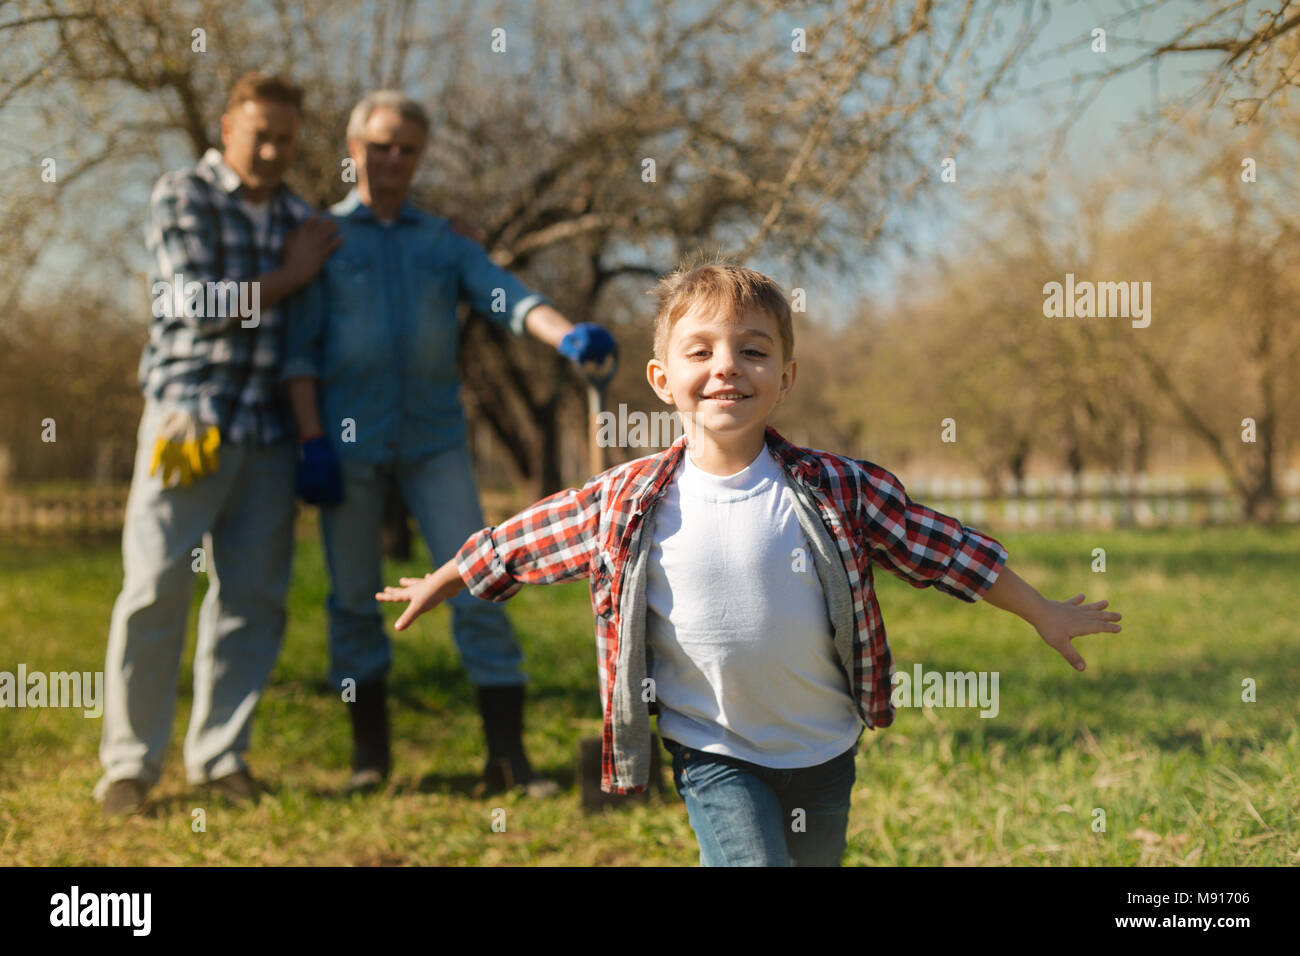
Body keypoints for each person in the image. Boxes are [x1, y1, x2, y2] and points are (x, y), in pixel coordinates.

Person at [375, 259, 1125, 866]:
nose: (727, 367)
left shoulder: (841, 489)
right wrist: (449, 576)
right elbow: (529, 537)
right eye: (700, 351)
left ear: (786, 378)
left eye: (753, 350)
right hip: (713, 748)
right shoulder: (628, 499)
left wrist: (1044, 612)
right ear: (663, 380)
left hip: (824, 747)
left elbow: (947, 551)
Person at [282, 90, 615, 795]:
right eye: (380, 145)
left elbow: (505, 296)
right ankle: (369, 761)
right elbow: (300, 353)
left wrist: (568, 338)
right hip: (347, 447)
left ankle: (508, 759)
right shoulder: (322, 238)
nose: (393, 159)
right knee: (351, 600)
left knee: (481, 579)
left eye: (407, 148)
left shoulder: (443, 243)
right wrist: (312, 440)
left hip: (434, 442)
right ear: (354, 149)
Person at [96, 73, 342, 816]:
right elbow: (192, 304)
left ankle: (219, 757)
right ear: (229, 125)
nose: (271, 150)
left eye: (286, 139)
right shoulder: (184, 194)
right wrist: (291, 275)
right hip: (187, 424)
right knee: (155, 587)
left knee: (254, 599)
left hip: (268, 435)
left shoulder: (303, 216)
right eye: (259, 132)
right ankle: (129, 768)